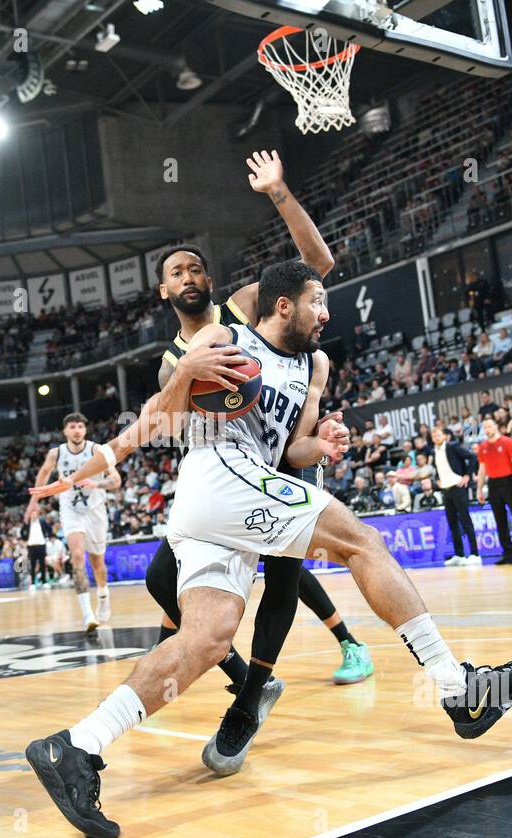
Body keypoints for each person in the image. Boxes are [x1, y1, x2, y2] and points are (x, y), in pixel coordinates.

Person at [25, 261, 512, 838]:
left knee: (206, 638)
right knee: (362, 541)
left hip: (220, 502)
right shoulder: (225, 336)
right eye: (317, 301)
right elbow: (157, 420)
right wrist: (176, 380)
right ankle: (457, 689)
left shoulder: (313, 365)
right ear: (285, 304)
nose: (327, 313)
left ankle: (74, 747)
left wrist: (320, 443)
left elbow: (292, 448)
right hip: (219, 469)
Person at [140, 154, 371, 692]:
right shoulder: (173, 361)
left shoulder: (241, 307)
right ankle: (248, 674)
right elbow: (167, 424)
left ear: (210, 279)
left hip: (283, 451)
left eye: (196, 268)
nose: (188, 276)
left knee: (283, 568)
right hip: (227, 467)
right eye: (177, 272)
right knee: (163, 579)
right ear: (164, 292)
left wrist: (277, 192)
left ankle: (298, 665)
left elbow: (316, 263)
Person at [26, 413, 120, 631]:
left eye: (80, 426)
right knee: (77, 555)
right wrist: (34, 502)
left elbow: (116, 480)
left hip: (95, 510)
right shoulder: (56, 453)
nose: (77, 430)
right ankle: (88, 615)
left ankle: (103, 594)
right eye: (72, 427)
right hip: (70, 509)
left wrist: (96, 485)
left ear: (85, 430)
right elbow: (43, 475)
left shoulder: (97, 450)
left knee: (98, 563)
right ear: (65, 431)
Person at [476, 418, 512, 564]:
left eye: (489, 426)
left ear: (495, 427)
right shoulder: (482, 446)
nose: (487, 429)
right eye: (485, 427)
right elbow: (482, 470)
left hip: (509, 482)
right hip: (493, 485)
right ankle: (508, 554)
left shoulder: (507, 442)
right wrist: (479, 490)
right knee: (500, 521)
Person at [432, 426, 480, 566]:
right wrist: (437, 479)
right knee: (452, 523)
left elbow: (472, 456)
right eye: (434, 436)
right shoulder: (434, 451)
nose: (436, 438)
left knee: (465, 520)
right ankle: (459, 554)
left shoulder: (452, 446)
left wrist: (466, 476)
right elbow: (439, 468)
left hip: (458, 487)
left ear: (444, 436)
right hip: (446, 490)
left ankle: (475, 553)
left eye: (438, 435)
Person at [23, 509, 50, 588]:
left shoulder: (42, 521)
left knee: (42, 564)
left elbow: (49, 529)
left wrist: (46, 536)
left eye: (35, 513)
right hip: (31, 546)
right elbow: (22, 532)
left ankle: (44, 581)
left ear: (38, 514)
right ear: (30, 515)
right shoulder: (27, 523)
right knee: (32, 565)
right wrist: (26, 539)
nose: (34, 515)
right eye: (32, 513)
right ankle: (32, 583)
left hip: (41, 545)